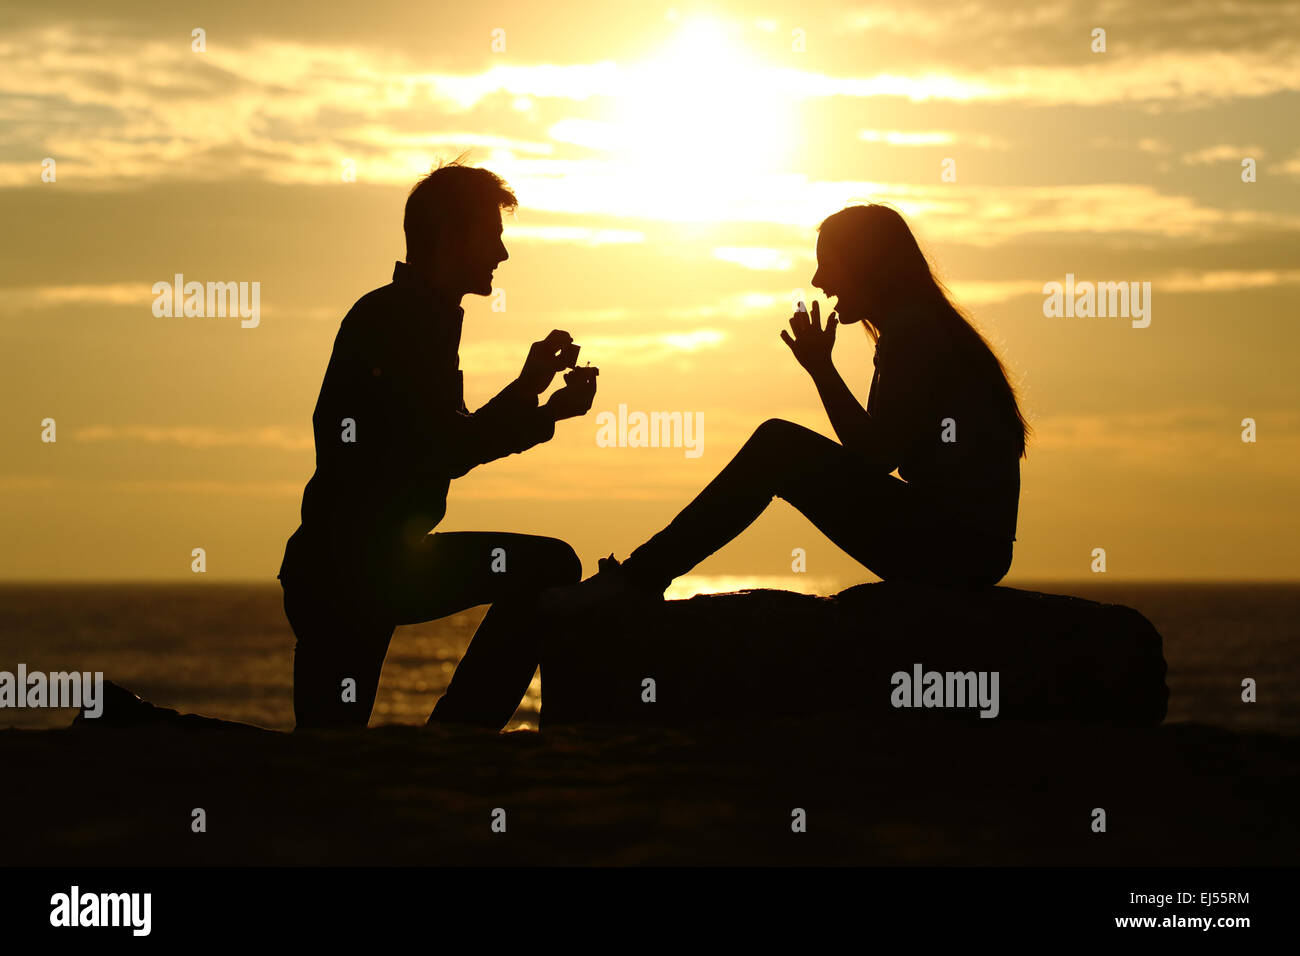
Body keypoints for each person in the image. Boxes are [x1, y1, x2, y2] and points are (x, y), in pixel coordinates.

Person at [557, 203, 1029, 606]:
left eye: (830, 263)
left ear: (868, 265)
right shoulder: (919, 327)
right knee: (778, 446)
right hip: (967, 548)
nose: (819, 280)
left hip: (954, 548)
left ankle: (638, 579)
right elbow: (880, 452)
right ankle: (641, 575)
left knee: (777, 446)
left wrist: (822, 370)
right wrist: (821, 368)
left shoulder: (915, 333)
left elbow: (878, 456)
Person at [278, 159, 597, 731]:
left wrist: (534, 397)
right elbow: (450, 446)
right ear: (452, 237)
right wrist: (537, 404)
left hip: (366, 566)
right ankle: (458, 737)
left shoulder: (417, 316)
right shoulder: (401, 319)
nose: (502, 254)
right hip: (354, 571)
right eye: (494, 237)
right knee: (549, 566)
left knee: (323, 751)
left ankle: (455, 737)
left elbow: (448, 437)